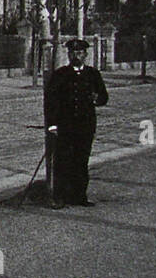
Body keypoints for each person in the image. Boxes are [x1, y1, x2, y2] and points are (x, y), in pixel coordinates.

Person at [44, 38, 109, 208]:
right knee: (62, 161)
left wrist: (98, 99)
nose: (76, 56)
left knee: (81, 161)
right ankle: (59, 197)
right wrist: (52, 125)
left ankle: (79, 196)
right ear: (68, 54)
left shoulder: (93, 74)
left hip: (85, 126)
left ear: (85, 55)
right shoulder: (60, 74)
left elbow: (104, 96)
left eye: (79, 53)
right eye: (73, 53)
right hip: (65, 126)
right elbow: (51, 101)